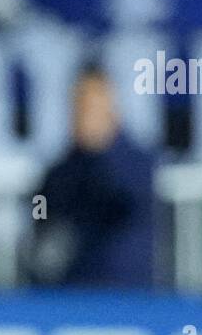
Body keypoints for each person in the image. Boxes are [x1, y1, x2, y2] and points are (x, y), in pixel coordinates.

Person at [26, 64, 155, 288]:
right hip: (72, 294)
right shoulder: (60, 171)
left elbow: (121, 204)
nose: (86, 115)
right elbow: (41, 218)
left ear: (113, 109)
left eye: (93, 106)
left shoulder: (139, 164)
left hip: (129, 293)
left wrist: (99, 156)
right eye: (80, 106)